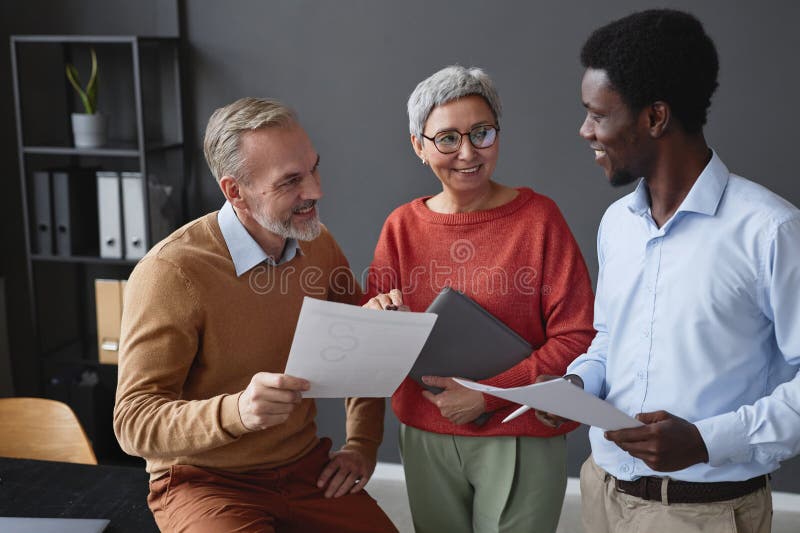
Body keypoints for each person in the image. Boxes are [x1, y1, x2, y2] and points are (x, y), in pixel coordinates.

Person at [540, 9, 800, 533]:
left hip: (701, 512)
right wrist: (576, 383)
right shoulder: (617, 223)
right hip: (602, 490)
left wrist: (705, 441)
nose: (585, 131)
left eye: (597, 115)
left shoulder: (771, 231)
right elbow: (611, 338)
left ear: (655, 118)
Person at [113, 97, 397, 533]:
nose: (316, 191)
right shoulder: (170, 272)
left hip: (304, 468)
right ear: (235, 191)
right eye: (291, 181)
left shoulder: (317, 243)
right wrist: (238, 411)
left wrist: (362, 443)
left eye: (314, 169)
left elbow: (361, 348)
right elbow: (133, 422)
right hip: (204, 480)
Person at [364, 65, 596, 533]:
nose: (468, 152)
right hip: (425, 436)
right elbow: (373, 345)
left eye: (481, 133)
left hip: (519, 433)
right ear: (418, 146)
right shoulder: (401, 227)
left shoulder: (539, 219)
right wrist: (377, 321)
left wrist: (488, 395)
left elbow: (578, 338)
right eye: (448, 138)